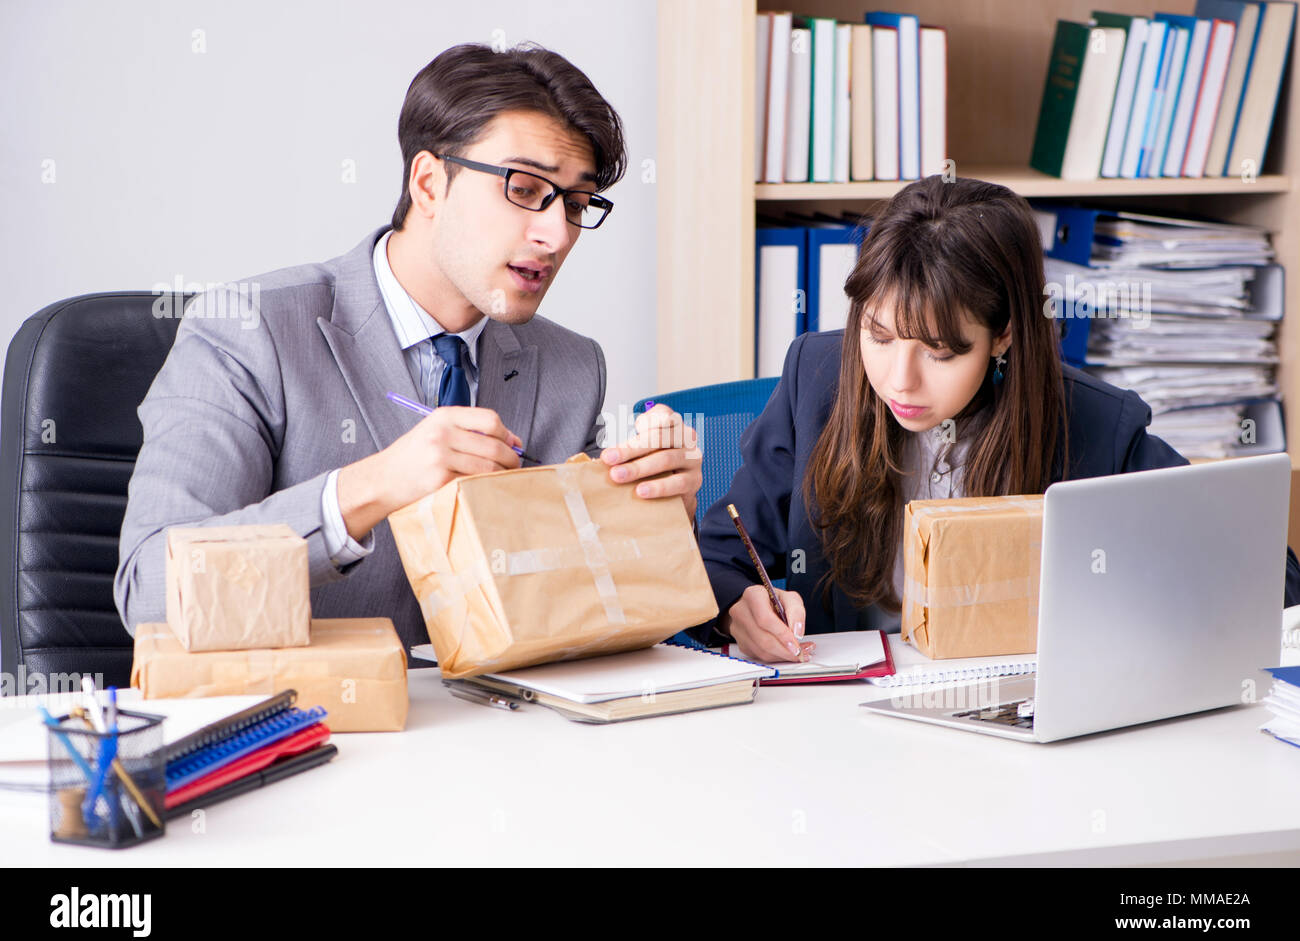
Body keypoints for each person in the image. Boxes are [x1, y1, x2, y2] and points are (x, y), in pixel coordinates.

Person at [114, 43, 702, 652]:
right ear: (428, 184)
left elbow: (577, 603)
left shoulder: (572, 367)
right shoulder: (247, 329)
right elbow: (149, 590)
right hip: (323, 726)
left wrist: (658, 513)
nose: (556, 234)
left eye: (575, 204)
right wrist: (369, 488)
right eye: (525, 189)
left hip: (507, 731)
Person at [699, 176, 1300, 663]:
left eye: (941, 352)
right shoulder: (817, 377)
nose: (899, 380)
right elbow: (720, 553)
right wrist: (738, 605)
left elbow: (1272, 576)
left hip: (1014, 727)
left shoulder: (1093, 425)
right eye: (878, 336)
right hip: (841, 731)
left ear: (1004, 334)